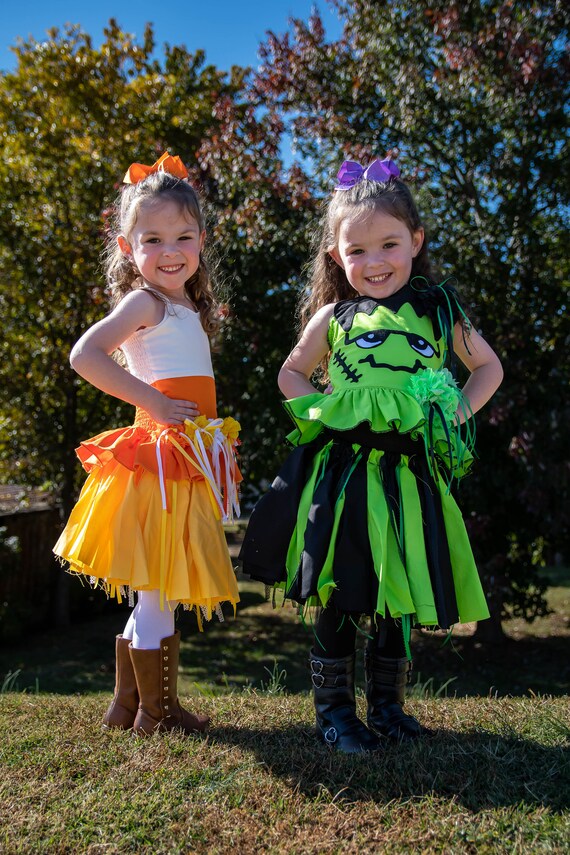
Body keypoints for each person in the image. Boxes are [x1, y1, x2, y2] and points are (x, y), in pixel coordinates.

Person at [240, 157, 503, 754]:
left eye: (389, 244)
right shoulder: (333, 318)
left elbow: (488, 367)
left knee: (396, 591)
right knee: (339, 589)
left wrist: (452, 414)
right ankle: (334, 714)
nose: (374, 261)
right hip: (344, 478)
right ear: (336, 255)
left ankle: (388, 709)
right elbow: (290, 374)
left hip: (409, 479)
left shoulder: (440, 312)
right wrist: (327, 412)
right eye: (356, 250)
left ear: (415, 241)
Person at [54, 153, 241, 736]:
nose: (170, 250)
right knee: (158, 589)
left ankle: (128, 708)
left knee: (153, 594)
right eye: (153, 238)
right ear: (127, 246)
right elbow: (84, 356)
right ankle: (158, 715)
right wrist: (154, 403)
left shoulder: (187, 307)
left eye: (184, 236)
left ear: (202, 240)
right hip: (157, 463)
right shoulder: (146, 302)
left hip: (183, 461)